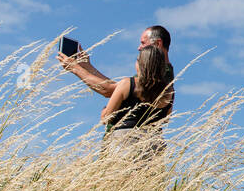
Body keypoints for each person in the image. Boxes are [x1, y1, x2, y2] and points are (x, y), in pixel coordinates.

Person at [58, 26, 175, 155]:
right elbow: (118, 87)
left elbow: (110, 90)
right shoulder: (161, 78)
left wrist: (76, 68)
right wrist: (87, 66)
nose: (139, 48)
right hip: (150, 150)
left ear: (158, 43)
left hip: (125, 146)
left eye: (143, 43)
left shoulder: (161, 73)